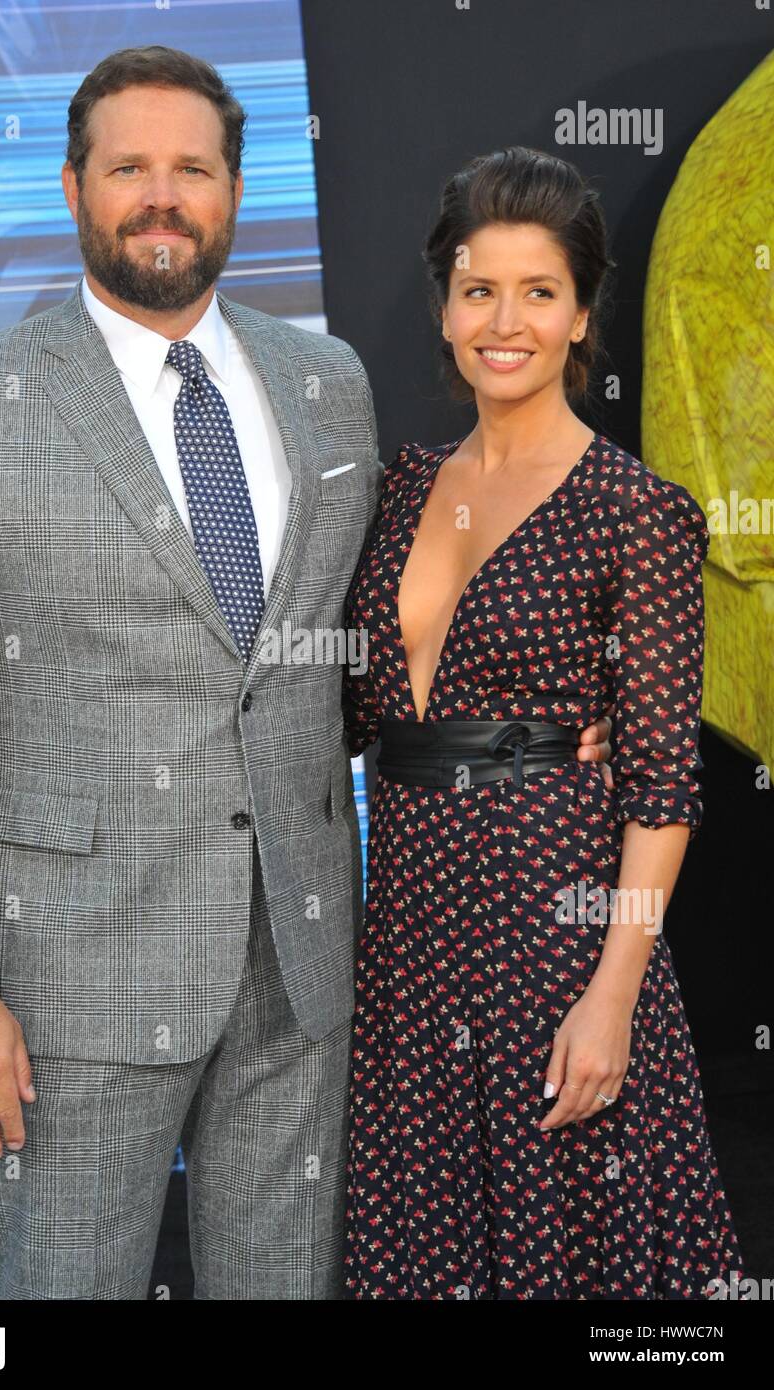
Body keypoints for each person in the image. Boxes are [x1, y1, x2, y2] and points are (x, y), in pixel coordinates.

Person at [0, 52, 610, 1301]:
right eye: (129, 169)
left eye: (190, 168)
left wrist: (509, 731)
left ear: (233, 190)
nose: (162, 196)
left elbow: (360, 649)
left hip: (304, 963)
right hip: (68, 989)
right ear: (72, 186)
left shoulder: (327, 383)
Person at [341, 146, 746, 1300]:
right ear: (444, 306)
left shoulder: (636, 512)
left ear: (580, 316)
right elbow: (350, 705)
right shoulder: (400, 485)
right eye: (479, 290)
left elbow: (664, 787)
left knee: (568, 1243)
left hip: (554, 928)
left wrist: (612, 989)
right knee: (428, 1233)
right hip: (411, 930)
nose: (503, 320)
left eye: (538, 292)